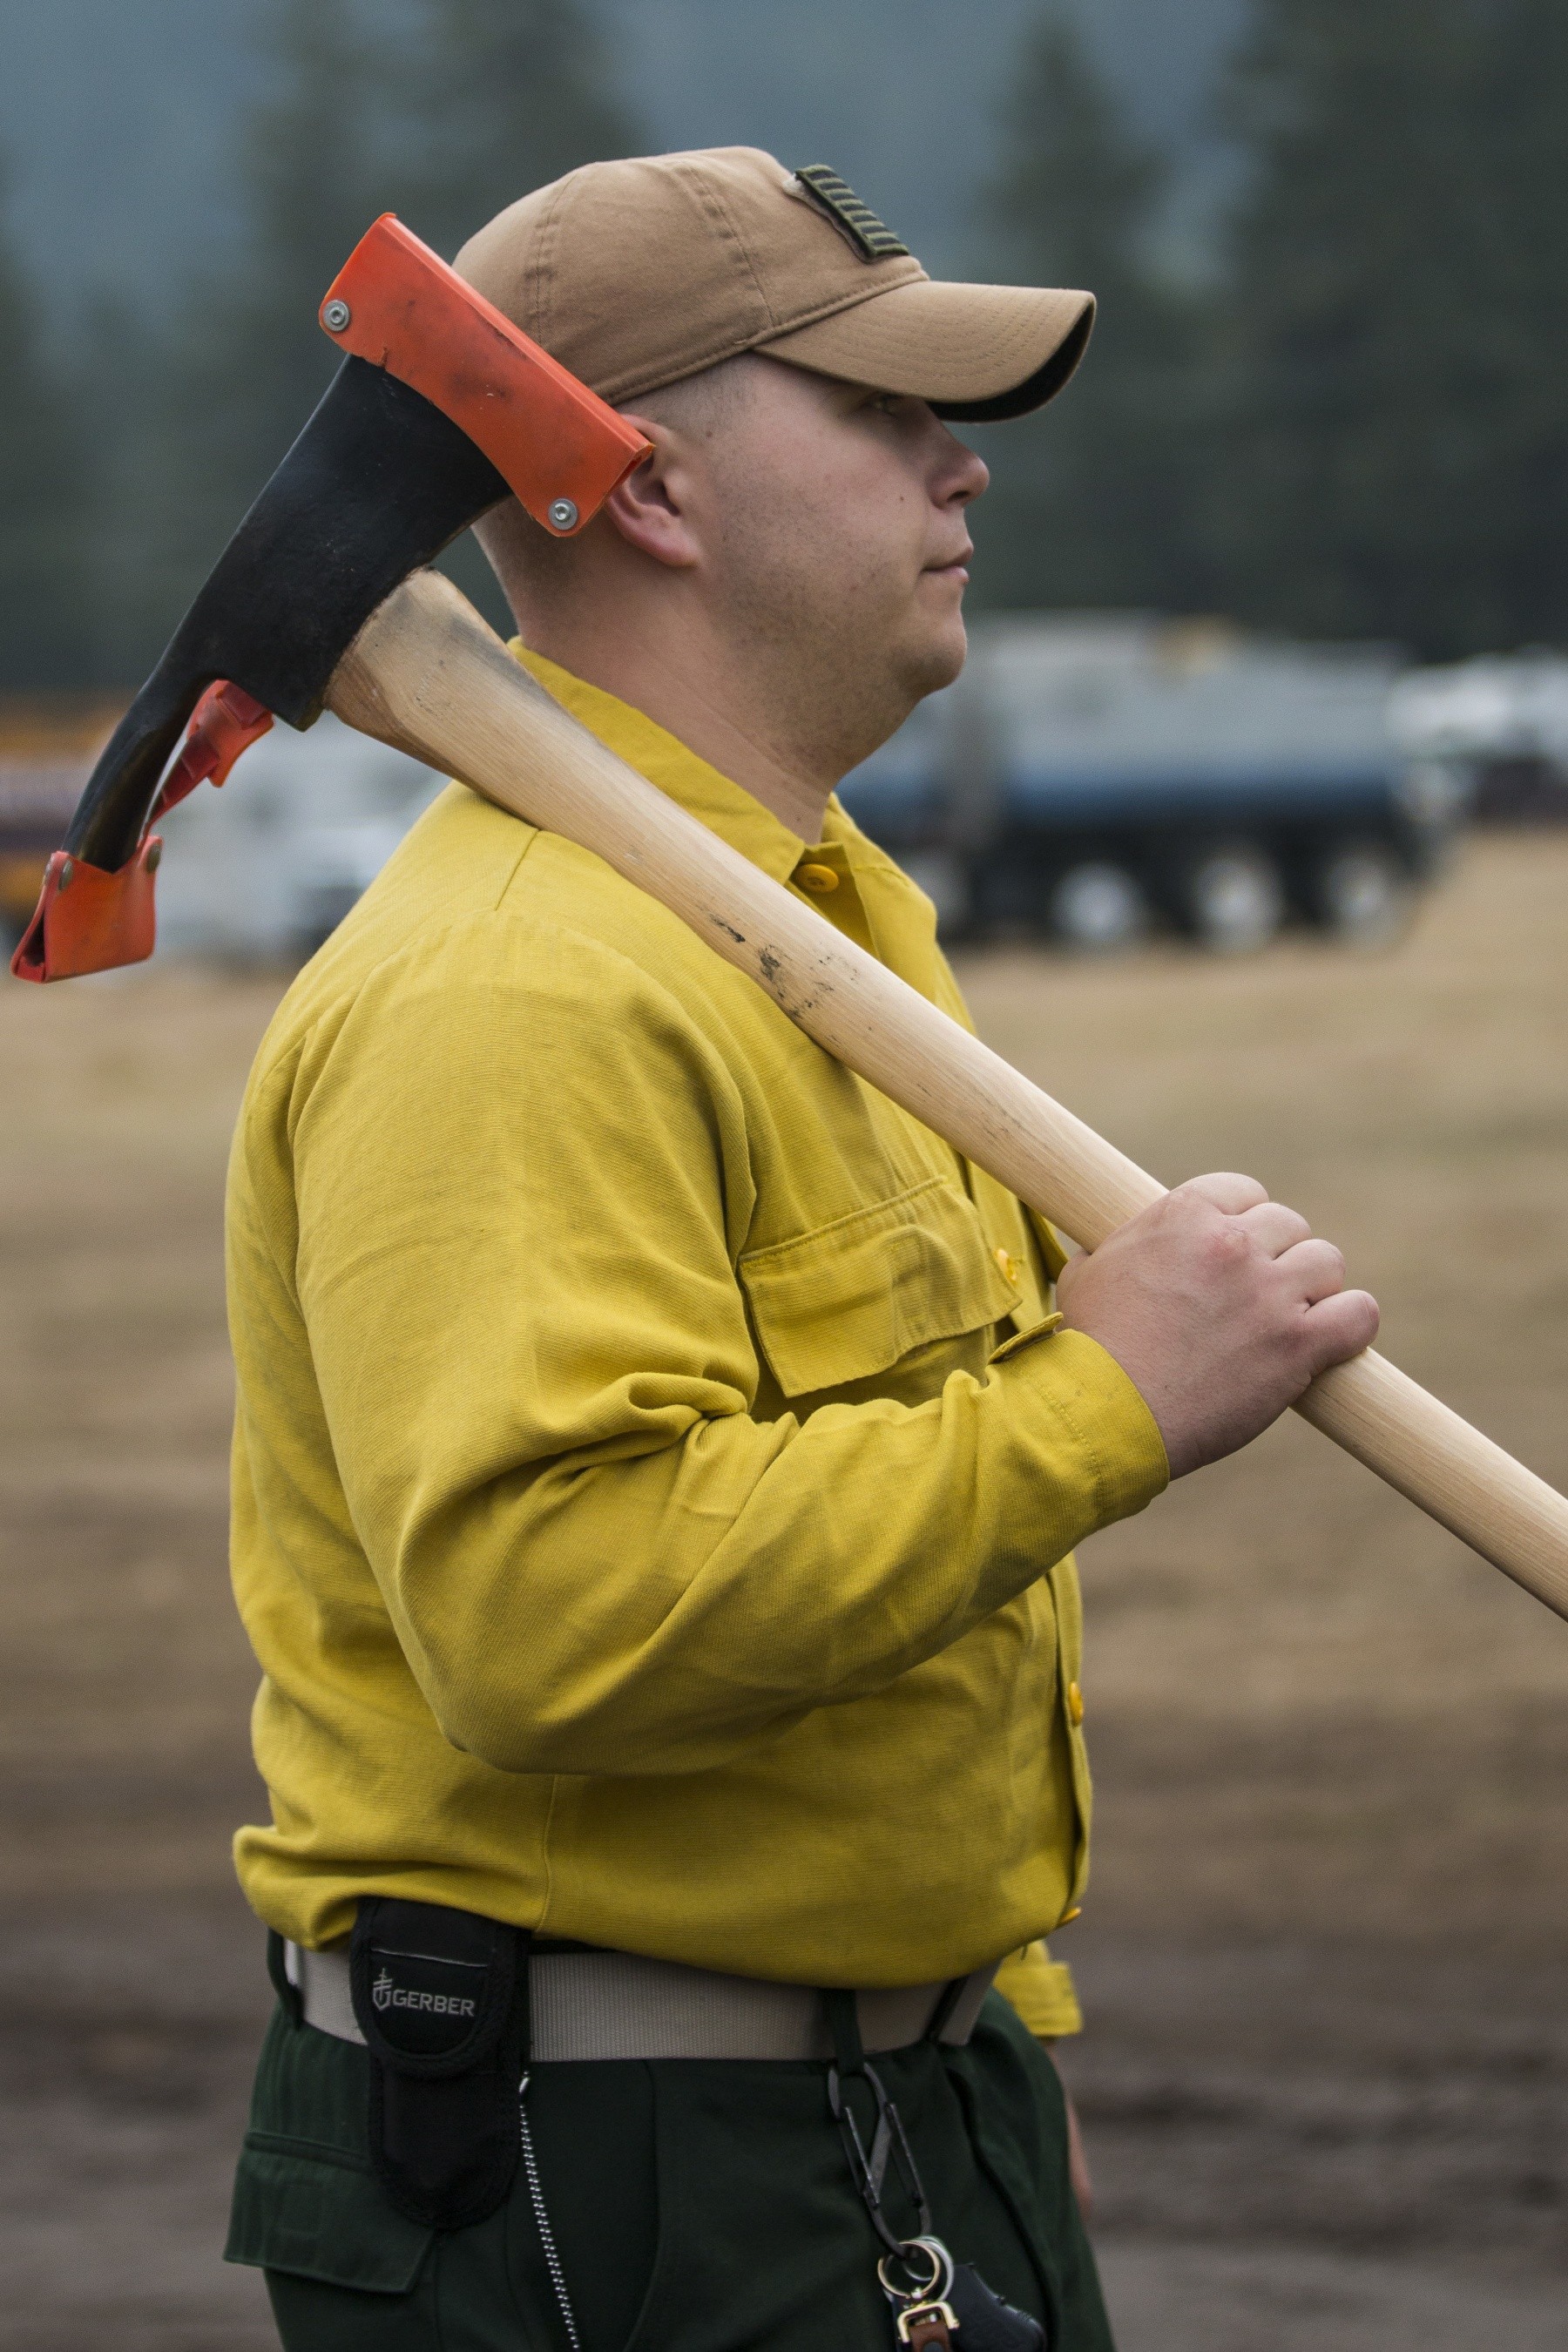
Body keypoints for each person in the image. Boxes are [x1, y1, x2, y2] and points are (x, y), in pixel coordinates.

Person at [221, 148, 1377, 2350]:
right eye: (880, 412)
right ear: (647, 491)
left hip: (894, 2104)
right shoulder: (516, 991)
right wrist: (1109, 1397)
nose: (960, 470)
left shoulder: (826, 919)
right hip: (611, 2173)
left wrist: (974, 2024)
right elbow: (548, 1616)